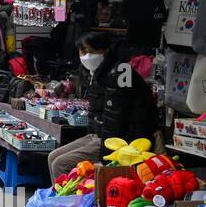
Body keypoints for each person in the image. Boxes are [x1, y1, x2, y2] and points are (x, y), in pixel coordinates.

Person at [46, 31, 161, 183]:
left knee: (60, 164)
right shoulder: (95, 72)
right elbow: (96, 113)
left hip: (123, 139)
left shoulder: (120, 72)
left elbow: (116, 118)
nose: (86, 56)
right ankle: (65, 198)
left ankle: (70, 204)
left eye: (91, 51)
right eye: (83, 52)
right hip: (99, 135)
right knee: (52, 157)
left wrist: (105, 157)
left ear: (105, 50)